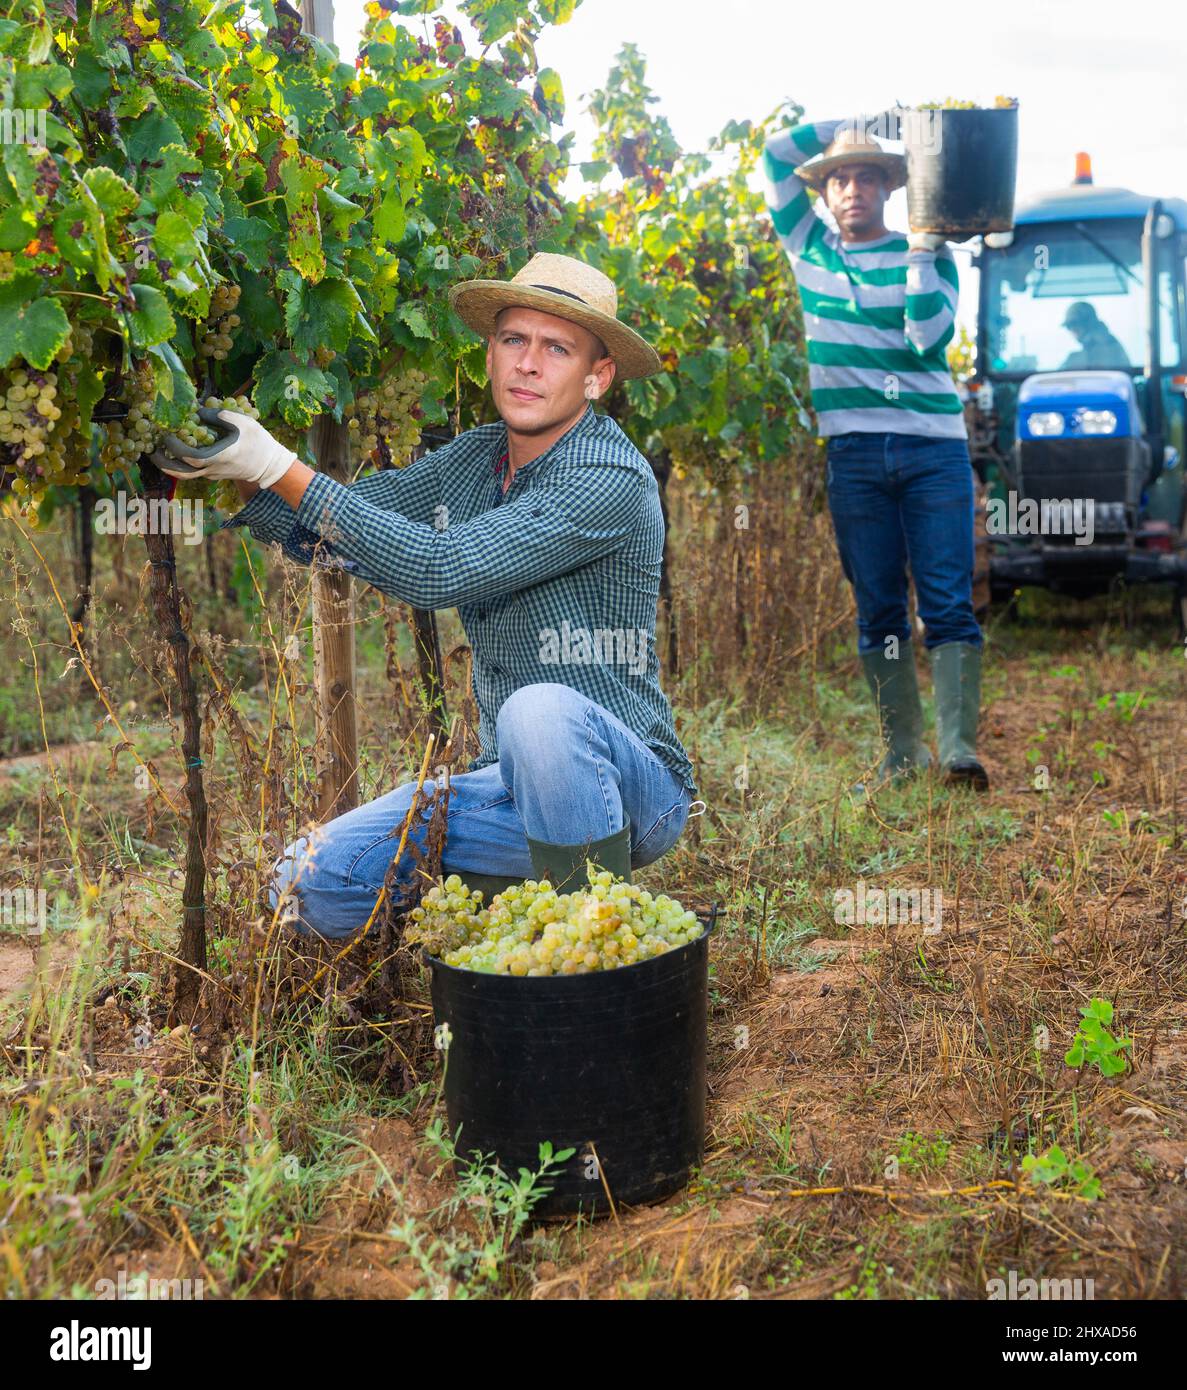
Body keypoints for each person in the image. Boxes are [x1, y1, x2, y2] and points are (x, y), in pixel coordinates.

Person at [157, 254, 697, 939]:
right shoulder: (478, 456)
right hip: (509, 785)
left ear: (597, 376)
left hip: (631, 791)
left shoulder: (606, 476)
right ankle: (518, 911)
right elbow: (343, 525)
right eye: (512, 340)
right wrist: (236, 474)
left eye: (556, 348)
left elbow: (435, 570)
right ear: (491, 353)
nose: (527, 364)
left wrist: (276, 465)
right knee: (303, 882)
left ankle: (599, 948)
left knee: (539, 713)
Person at [763, 116, 989, 791]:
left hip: (933, 454)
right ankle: (900, 755)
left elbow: (925, 339)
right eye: (839, 178)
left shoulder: (931, 257)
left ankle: (957, 751)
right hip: (853, 457)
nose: (852, 188)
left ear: (889, 189)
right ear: (824, 195)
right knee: (879, 609)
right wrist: (859, 123)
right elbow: (776, 156)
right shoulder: (808, 249)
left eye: (866, 175)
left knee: (946, 601)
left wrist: (921, 252)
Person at [1060, 301, 1130, 370]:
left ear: (1088, 322)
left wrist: (1071, 360)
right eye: (1069, 326)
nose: (1072, 329)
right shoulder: (1103, 342)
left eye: (1074, 324)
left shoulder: (1106, 344)